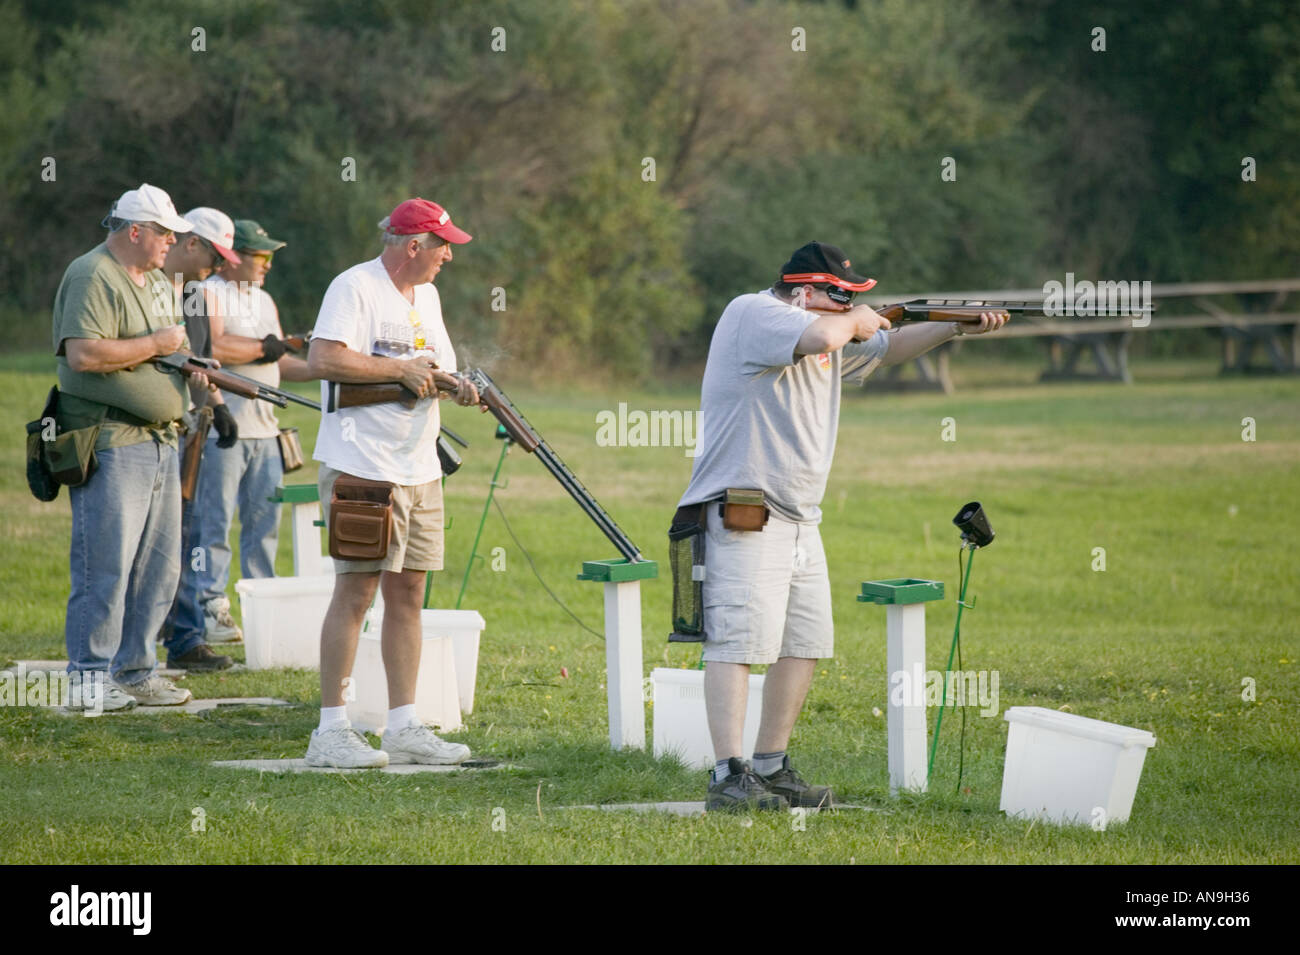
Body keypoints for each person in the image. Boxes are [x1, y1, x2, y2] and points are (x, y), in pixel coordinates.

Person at [675, 241, 1008, 811]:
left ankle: (770, 766)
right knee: (734, 644)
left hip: (802, 517)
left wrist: (956, 326)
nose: (851, 306)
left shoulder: (826, 331)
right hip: (744, 512)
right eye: (842, 296)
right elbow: (831, 333)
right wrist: (854, 319)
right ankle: (727, 778)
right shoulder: (753, 314)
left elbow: (890, 344)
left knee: (802, 644)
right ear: (804, 292)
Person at [304, 198, 482, 768]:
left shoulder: (426, 296)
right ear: (413, 246)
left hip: (418, 465)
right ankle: (331, 730)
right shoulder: (353, 287)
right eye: (442, 245)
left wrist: (459, 386)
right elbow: (324, 358)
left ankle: (403, 724)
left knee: (409, 594)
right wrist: (397, 370)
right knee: (355, 592)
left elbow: (430, 366)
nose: (448, 255)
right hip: (362, 463)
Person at [52, 183, 210, 711]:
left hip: (162, 437)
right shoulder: (92, 273)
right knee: (107, 562)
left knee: (159, 565)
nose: (172, 242)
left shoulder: (160, 281)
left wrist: (195, 371)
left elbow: (176, 347)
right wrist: (159, 347)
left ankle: (137, 670)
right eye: (165, 233)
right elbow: (83, 354)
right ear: (135, 230)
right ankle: (88, 679)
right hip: (113, 438)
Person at [171, 219, 316, 654]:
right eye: (260, 256)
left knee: (263, 528)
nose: (267, 265)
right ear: (234, 259)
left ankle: (261, 611)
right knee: (212, 525)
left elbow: (274, 365)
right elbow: (212, 349)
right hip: (222, 430)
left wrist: (325, 368)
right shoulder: (207, 292)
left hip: (265, 430)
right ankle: (210, 608)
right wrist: (269, 346)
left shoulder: (265, 300)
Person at [157, 207, 243, 671]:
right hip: (147, 429)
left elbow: (201, 364)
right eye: (216, 255)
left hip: (187, 430)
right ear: (192, 244)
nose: (221, 266)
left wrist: (220, 407)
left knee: (187, 536)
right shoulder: (147, 287)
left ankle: (186, 638)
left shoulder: (194, 295)